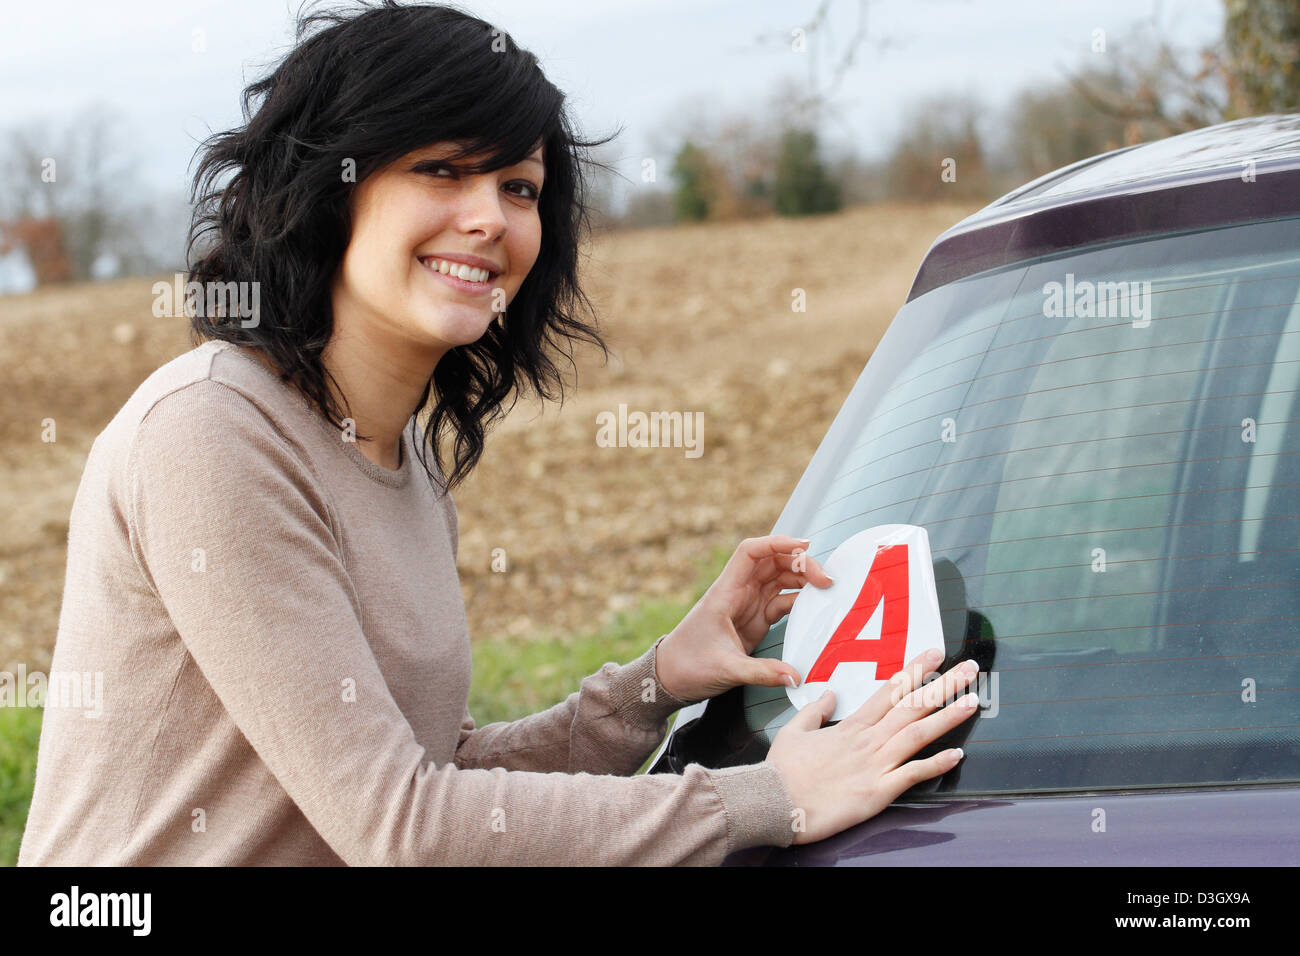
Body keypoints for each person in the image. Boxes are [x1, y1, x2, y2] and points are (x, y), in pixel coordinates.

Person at [18, 0, 977, 866]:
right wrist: (772, 799)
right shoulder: (214, 436)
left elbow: (449, 773)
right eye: (441, 170)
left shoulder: (406, 461)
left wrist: (654, 683)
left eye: (519, 188)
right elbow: (400, 824)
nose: (489, 219)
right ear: (329, 188)